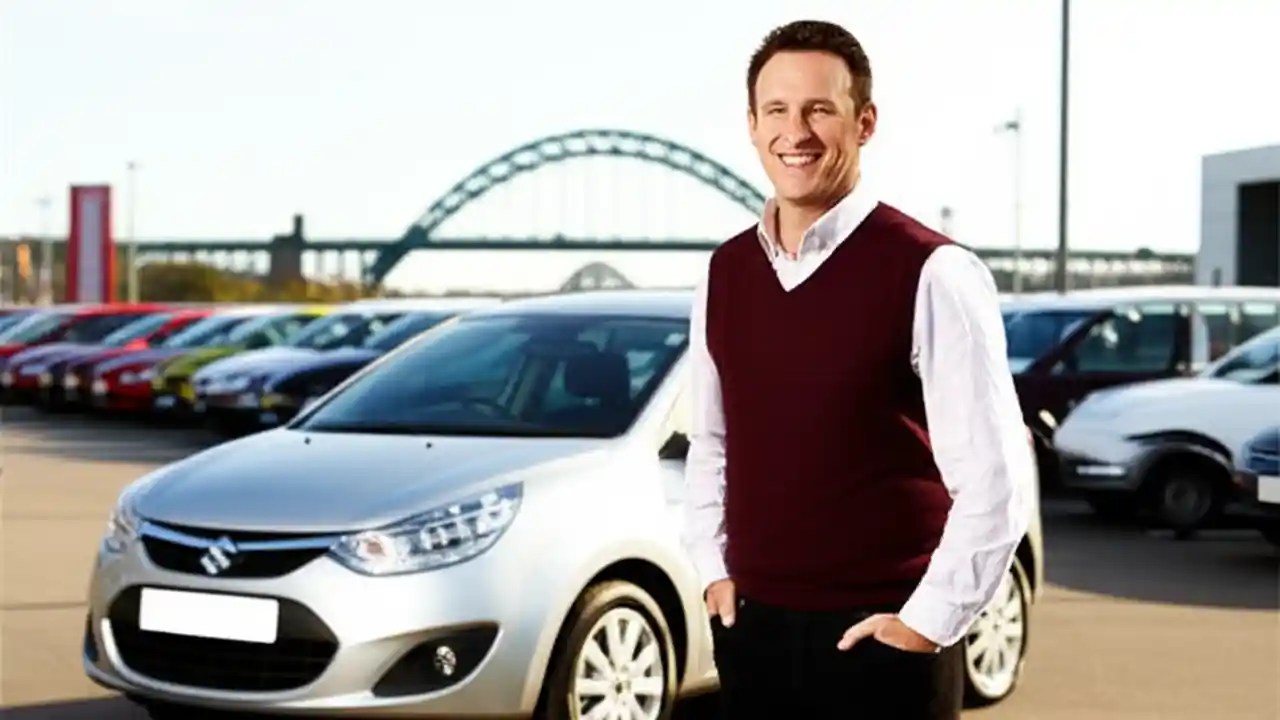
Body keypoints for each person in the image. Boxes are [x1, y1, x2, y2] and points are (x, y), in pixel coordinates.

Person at [681, 19, 1035, 720]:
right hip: (751, 632)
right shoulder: (725, 272)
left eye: (821, 108)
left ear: (864, 122)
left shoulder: (933, 271)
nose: (796, 131)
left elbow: (996, 479)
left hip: (883, 640)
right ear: (752, 125)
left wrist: (924, 625)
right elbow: (714, 443)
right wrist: (714, 570)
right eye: (777, 110)